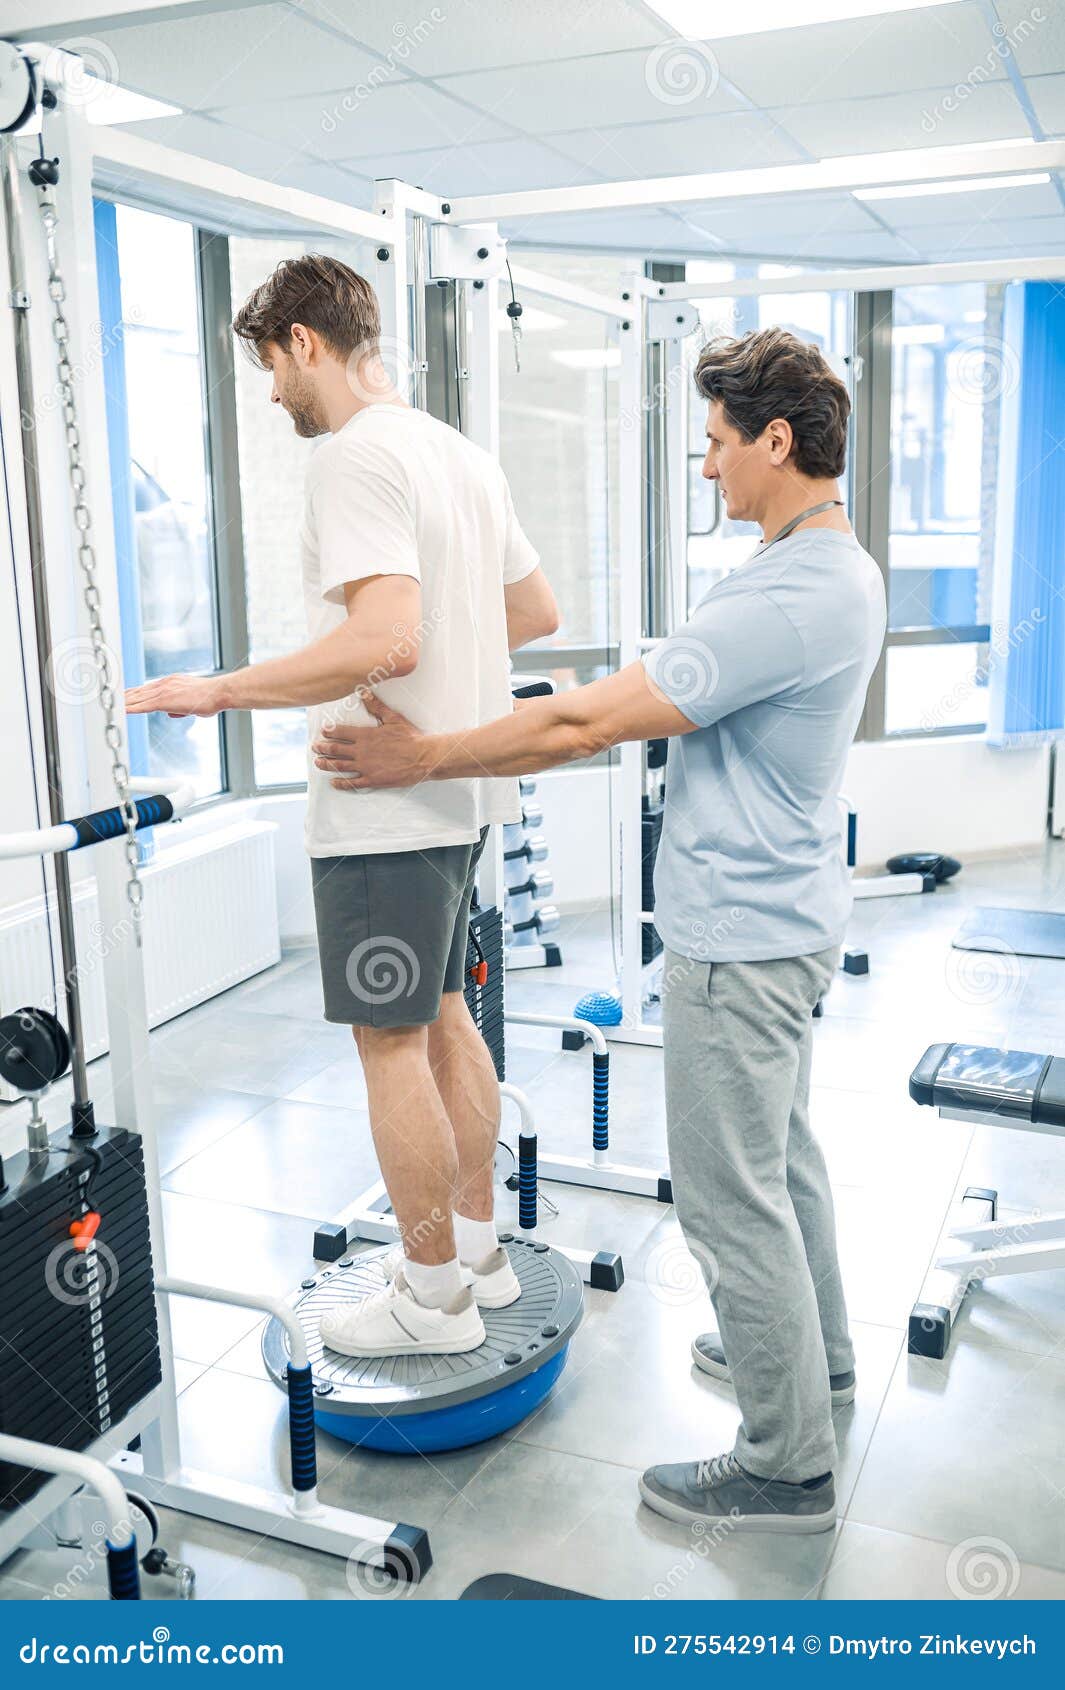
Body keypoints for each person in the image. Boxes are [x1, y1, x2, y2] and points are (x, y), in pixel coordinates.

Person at [310, 327, 887, 1534]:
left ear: (778, 441)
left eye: (721, 446)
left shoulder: (794, 589)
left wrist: (426, 751)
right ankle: (816, 1372)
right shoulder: (828, 565)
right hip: (777, 921)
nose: (711, 468)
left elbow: (585, 726)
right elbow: (634, 691)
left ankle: (787, 1465)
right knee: (784, 1164)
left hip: (740, 940)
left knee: (733, 1198)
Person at [125, 254, 559, 1360]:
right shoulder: (458, 453)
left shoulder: (356, 456)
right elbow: (536, 611)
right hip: (454, 797)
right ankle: (478, 1255)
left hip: (382, 804)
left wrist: (218, 688)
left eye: (272, 367)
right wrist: (453, 686)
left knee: (387, 1043)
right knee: (447, 1020)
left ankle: (427, 1300)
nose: (273, 396)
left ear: (306, 343)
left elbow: (386, 640)